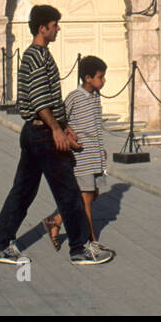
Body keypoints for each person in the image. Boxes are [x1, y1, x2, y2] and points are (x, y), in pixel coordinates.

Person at [0, 5, 115, 266]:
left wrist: (64, 125)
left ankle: (0, 245)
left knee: (23, 191)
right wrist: (56, 130)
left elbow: (49, 99)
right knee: (68, 191)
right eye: (55, 24)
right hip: (43, 134)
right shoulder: (35, 56)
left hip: (36, 132)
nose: (58, 29)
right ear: (42, 28)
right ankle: (80, 249)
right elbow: (38, 98)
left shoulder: (41, 54)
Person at [42, 56, 111, 248]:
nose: (103, 80)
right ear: (88, 78)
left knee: (91, 194)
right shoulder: (74, 97)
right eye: (100, 77)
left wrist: (100, 148)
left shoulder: (96, 96)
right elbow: (60, 120)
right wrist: (68, 137)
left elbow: (96, 125)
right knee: (86, 199)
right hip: (81, 156)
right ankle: (90, 240)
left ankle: (55, 220)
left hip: (95, 155)